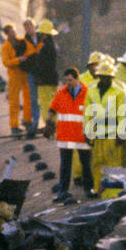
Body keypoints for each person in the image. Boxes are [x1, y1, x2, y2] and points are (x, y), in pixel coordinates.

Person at [84, 59, 126, 195]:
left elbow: (123, 114)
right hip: (97, 137)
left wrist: (121, 133)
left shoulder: (118, 92)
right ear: (99, 77)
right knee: (97, 165)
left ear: (112, 77)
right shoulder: (91, 92)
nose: (105, 80)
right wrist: (87, 132)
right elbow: (87, 113)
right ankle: (100, 194)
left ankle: (115, 196)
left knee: (114, 166)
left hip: (112, 137)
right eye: (103, 77)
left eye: (108, 77)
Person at [46, 68, 93, 201]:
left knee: (86, 164)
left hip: (82, 136)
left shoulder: (88, 93)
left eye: (70, 80)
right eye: (65, 80)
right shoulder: (61, 92)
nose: (67, 83)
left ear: (77, 79)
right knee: (65, 165)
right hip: (66, 136)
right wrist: (48, 120)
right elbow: (53, 107)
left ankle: (89, 189)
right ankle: (62, 191)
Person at [0, 23, 35, 137]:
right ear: (7, 34)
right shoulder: (5, 47)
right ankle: (14, 125)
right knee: (14, 101)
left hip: (24, 73)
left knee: (28, 96)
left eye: (14, 31)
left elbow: (30, 50)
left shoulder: (21, 41)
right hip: (14, 75)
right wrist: (17, 60)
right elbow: (6, 62)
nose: (14, 33)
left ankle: (27, 120)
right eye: (12, 32)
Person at [27, 19, 59, 126]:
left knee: (45, 103)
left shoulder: (44, 46)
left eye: (40, 33)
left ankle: (49, 124)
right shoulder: (52, 45)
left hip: (44, 80)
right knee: (53, 102)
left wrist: (37, 76)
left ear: (44, 34)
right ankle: (55, 122)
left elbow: (41, 64)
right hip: (53, 79)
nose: (39, 35)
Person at [21, 18, 44, 130]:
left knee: (45, 97)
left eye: (30, 26)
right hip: (32, 74)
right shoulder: (23, 42)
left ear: (34, 26)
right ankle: (35, 121)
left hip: (43, 72)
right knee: (34, 98)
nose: (28, 29)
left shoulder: (42, 39)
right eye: (26, 28)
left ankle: (46, 121)